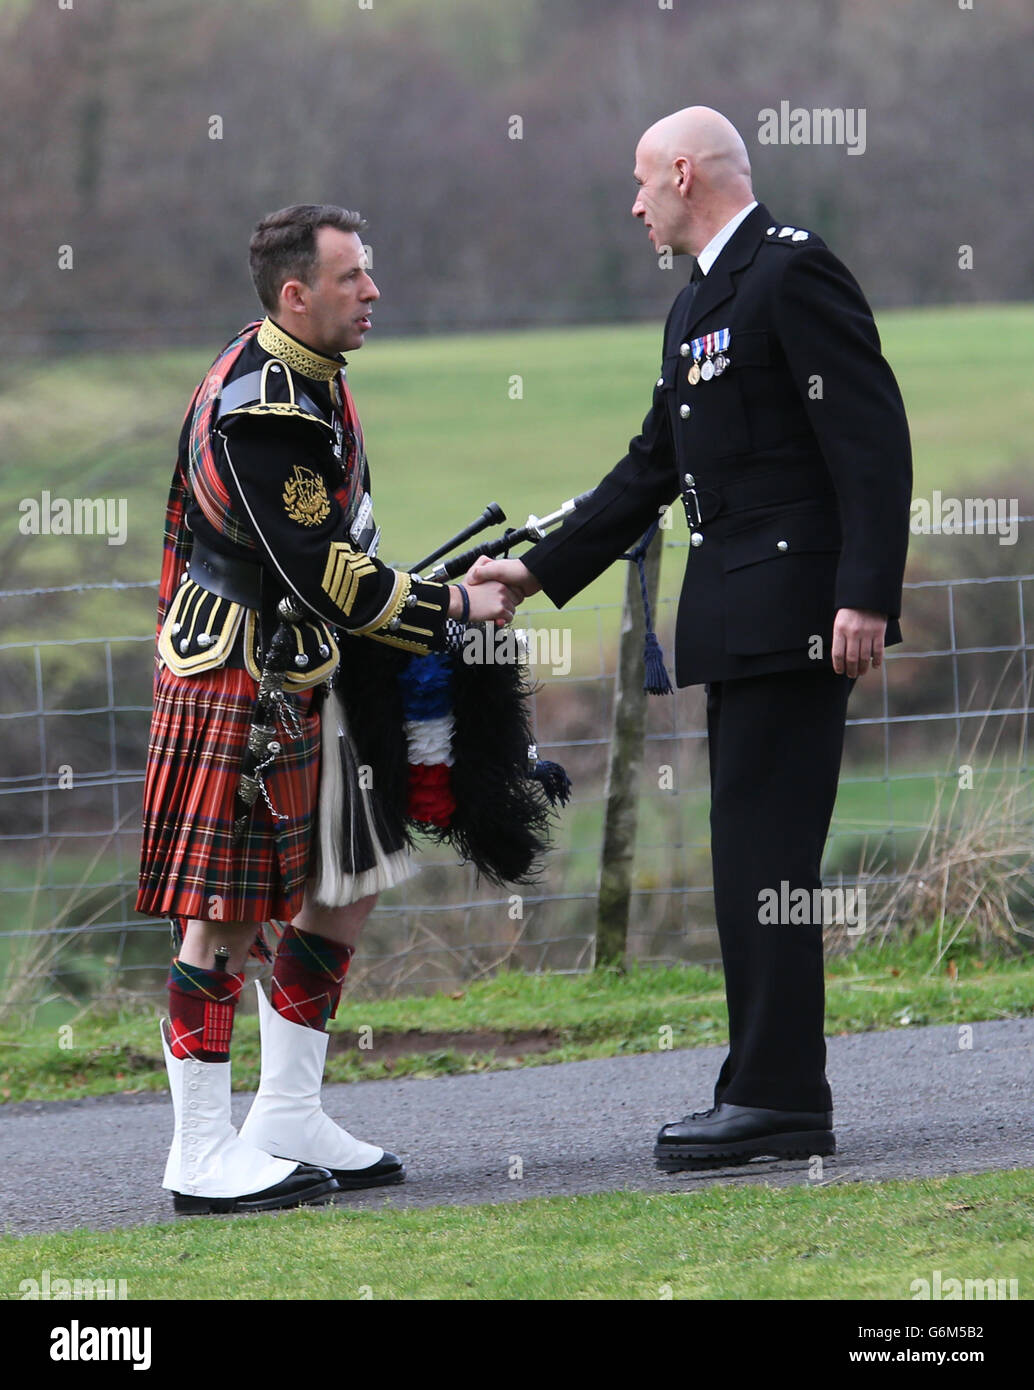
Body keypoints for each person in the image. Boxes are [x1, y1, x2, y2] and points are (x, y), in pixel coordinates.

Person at [470, 107, 912, 1168]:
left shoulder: (789, 273)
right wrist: (533, 573)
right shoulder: (696, 306)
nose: (631, 205)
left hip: (798, 619)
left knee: (766, 859)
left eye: (637, 183)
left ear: (681, 173)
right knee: (748, 860)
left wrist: (863, 595)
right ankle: (765, 1088)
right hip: (737, 623)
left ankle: (776, 1098)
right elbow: (647, 469)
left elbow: (870, 438)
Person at [136, 204, 520, 1213]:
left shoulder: (305, 376)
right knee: (222, 915)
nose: (373, 292)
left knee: (345, 879)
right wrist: (453, 606)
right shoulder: (264, 405)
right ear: (295, 293)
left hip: (305, 669)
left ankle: (289, 1112)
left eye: (369, 271)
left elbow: (337, 557)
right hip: (239, 674)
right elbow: (324, 575)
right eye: (352, 277)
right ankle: (197, 1151)